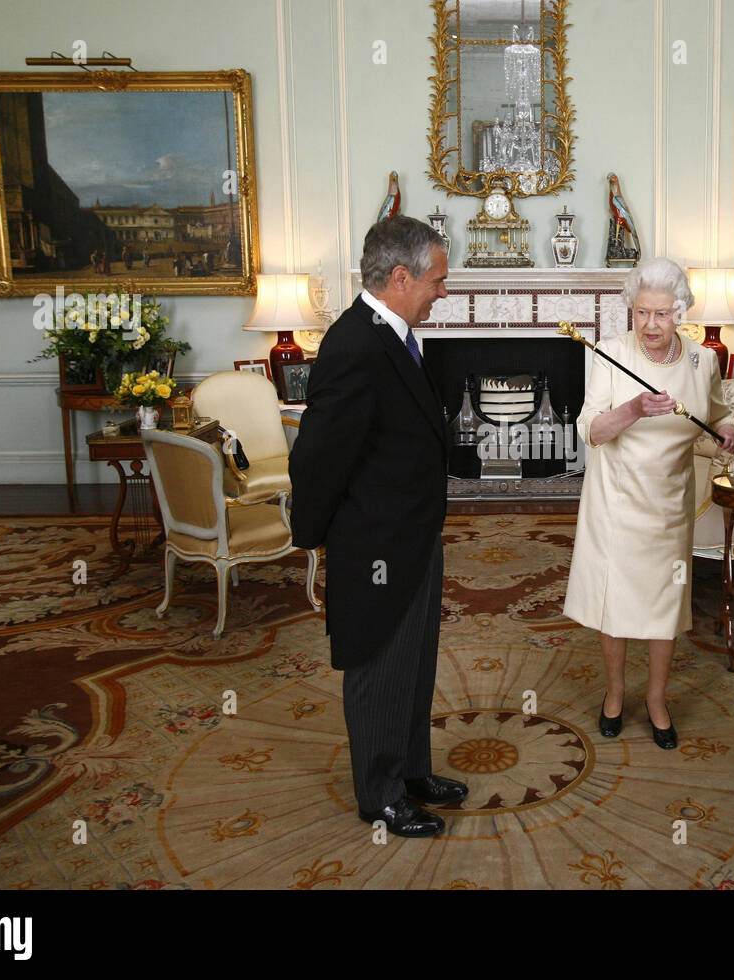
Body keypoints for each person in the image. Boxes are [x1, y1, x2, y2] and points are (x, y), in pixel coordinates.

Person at [289, 215, 465, 838]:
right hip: (375, 546)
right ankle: (381, 794)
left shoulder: (394, 333)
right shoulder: (353, 346)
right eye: (437, 281)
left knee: (414, 664)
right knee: (379, 666)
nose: (442, 293)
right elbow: (317, 455)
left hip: (412, 536)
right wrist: (310, 537)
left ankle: (412, 770)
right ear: (399, 277)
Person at [563, 258, 734, 748]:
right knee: (614, 599)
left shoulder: (703, 360)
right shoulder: (609, 354)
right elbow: (592, 431)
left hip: (669, 500)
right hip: (616, 499)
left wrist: (725, 430)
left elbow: (718, 411)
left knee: (665, 604)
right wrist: (635, 408)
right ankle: (615, 694)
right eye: (641, 313)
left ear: (680, 312)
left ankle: (658, 700)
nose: (651, 325)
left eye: (662, 314)